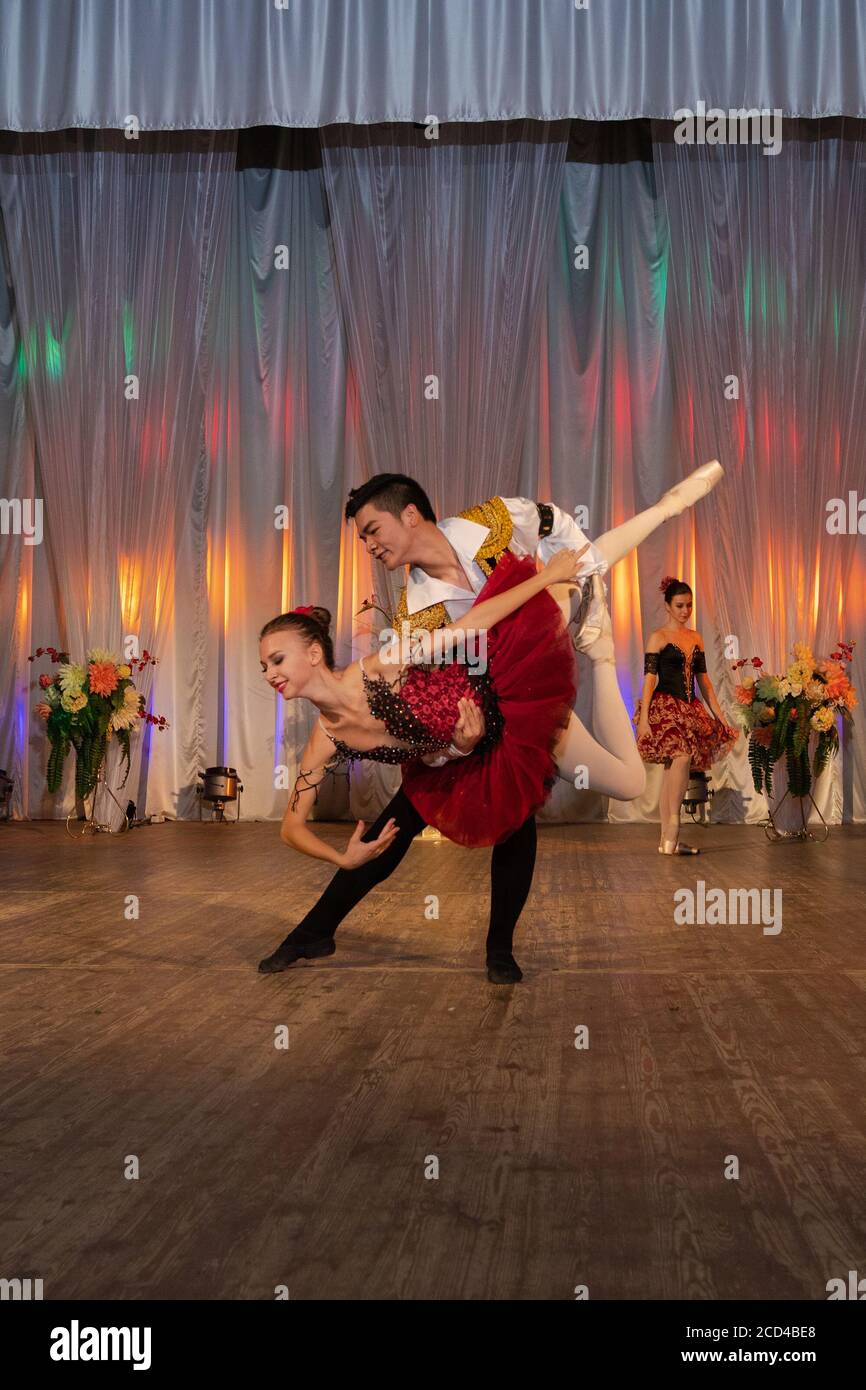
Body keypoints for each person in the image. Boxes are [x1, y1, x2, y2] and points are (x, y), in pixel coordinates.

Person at [259, 464, 724, 982]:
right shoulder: (413, 611)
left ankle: (618, 611)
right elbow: (454, 652)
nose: (368, 545)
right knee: (406, 824)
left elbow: (552, 526)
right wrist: (458, 747)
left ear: (409, 515)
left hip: (525, 689)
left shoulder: (488, 523)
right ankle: (321, 932)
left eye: (372, 530)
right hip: (467, 717)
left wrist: (562, 567)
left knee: (582, 789)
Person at [634, 575, 739, 854]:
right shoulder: (658, 637)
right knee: (681, 757)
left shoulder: (695, 638)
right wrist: (644, 718)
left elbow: (704, 682)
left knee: (674, 768)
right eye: (680, 605)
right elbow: (649, 680)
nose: (685, 611)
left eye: (689, 606)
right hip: (666, 706)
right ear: (667, 606)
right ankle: (673, 830)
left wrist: (720, 717)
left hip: (690, 708)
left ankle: (667, 841)